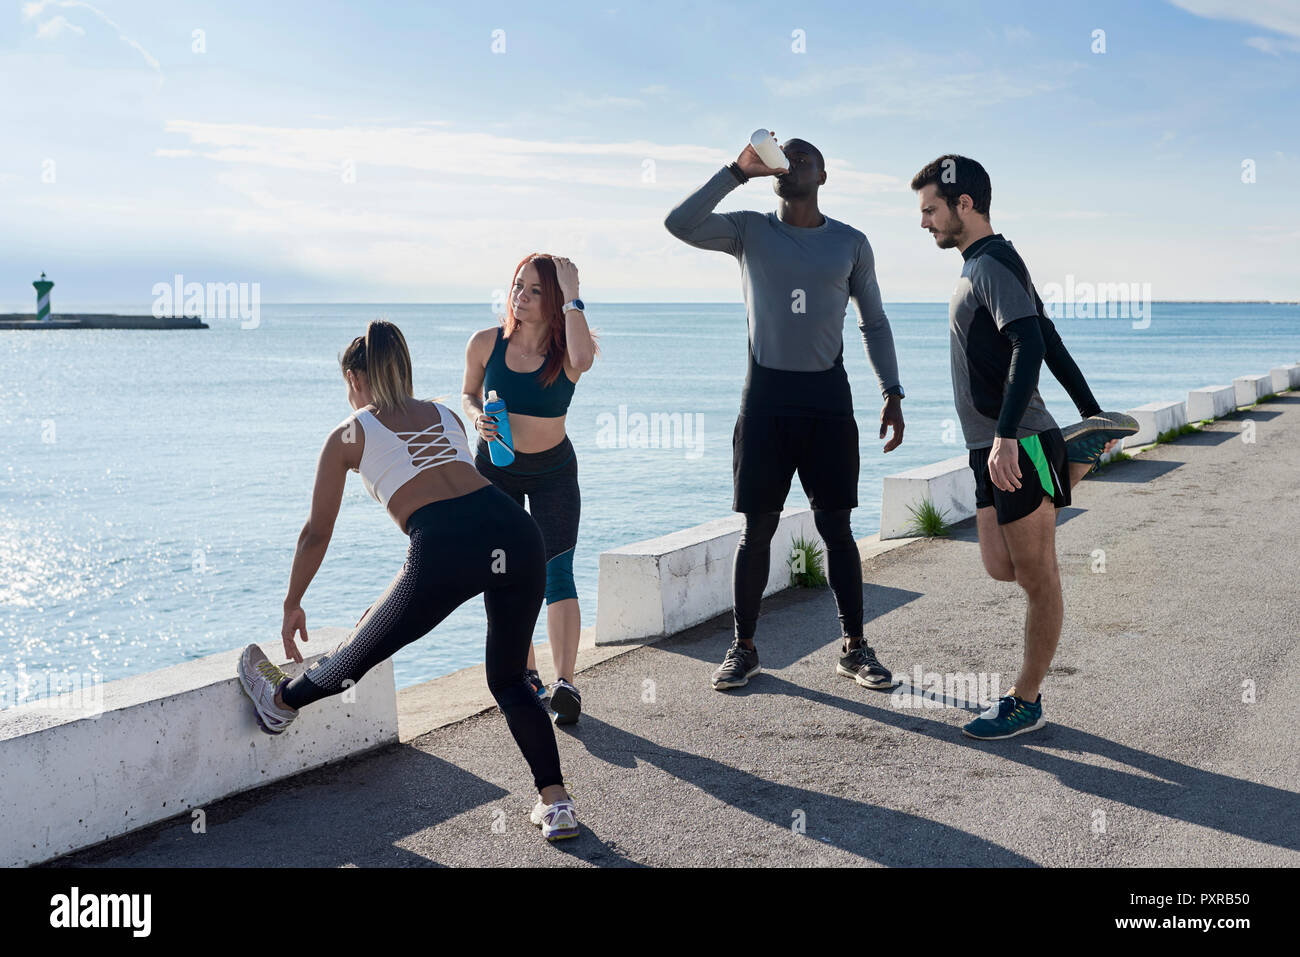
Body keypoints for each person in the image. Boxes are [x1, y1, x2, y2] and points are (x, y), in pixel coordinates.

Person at [236, 319, 578, 840]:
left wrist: (293, 602)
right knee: (509, 679)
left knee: (359, 653)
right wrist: (391, 600)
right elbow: (459, 501)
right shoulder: (446, 414)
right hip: (516, 532)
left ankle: (279, 703)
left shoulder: (349, 432)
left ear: (354, 378)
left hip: (444, 546)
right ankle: (556, 805)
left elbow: (316, 533)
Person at [665, 134, 906, 692]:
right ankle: (744, 648)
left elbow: (873, 322)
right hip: (766, 399)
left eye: (804, 158)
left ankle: (855, 647)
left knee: (837, 528)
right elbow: (679, 223)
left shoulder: (851, 243)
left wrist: (892, 391)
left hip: (828, 400)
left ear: (823, 176)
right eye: (784, 156)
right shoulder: (749, 231)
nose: (791, 163)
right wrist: (735, 171)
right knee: (757, 529)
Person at [910, 154, 1138, 741]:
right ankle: (1078, 451)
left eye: (930, 210)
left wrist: (1009, 435)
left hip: (1016, 439)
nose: (924, 221)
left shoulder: (992, 262)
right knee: (999, 566)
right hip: (987, 444)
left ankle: (1026, 700)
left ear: (964, 204)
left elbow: (1032, 344)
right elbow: (1048, 337)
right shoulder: (981, 265)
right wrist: (1090, 409)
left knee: (1038, 578)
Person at [462, 255, 597, 724]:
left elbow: (584, 360)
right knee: (504, 572)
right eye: (518, 285)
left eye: (536, 290)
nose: (520, 296)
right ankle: (528, 674)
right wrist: (476, 416)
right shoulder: (486, 342)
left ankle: (567, 684)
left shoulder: (567, 354)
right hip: (495, 471)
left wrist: (573, 292)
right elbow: (468, 393)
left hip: (553, 472)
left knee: (557, 573)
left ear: (555, 299)